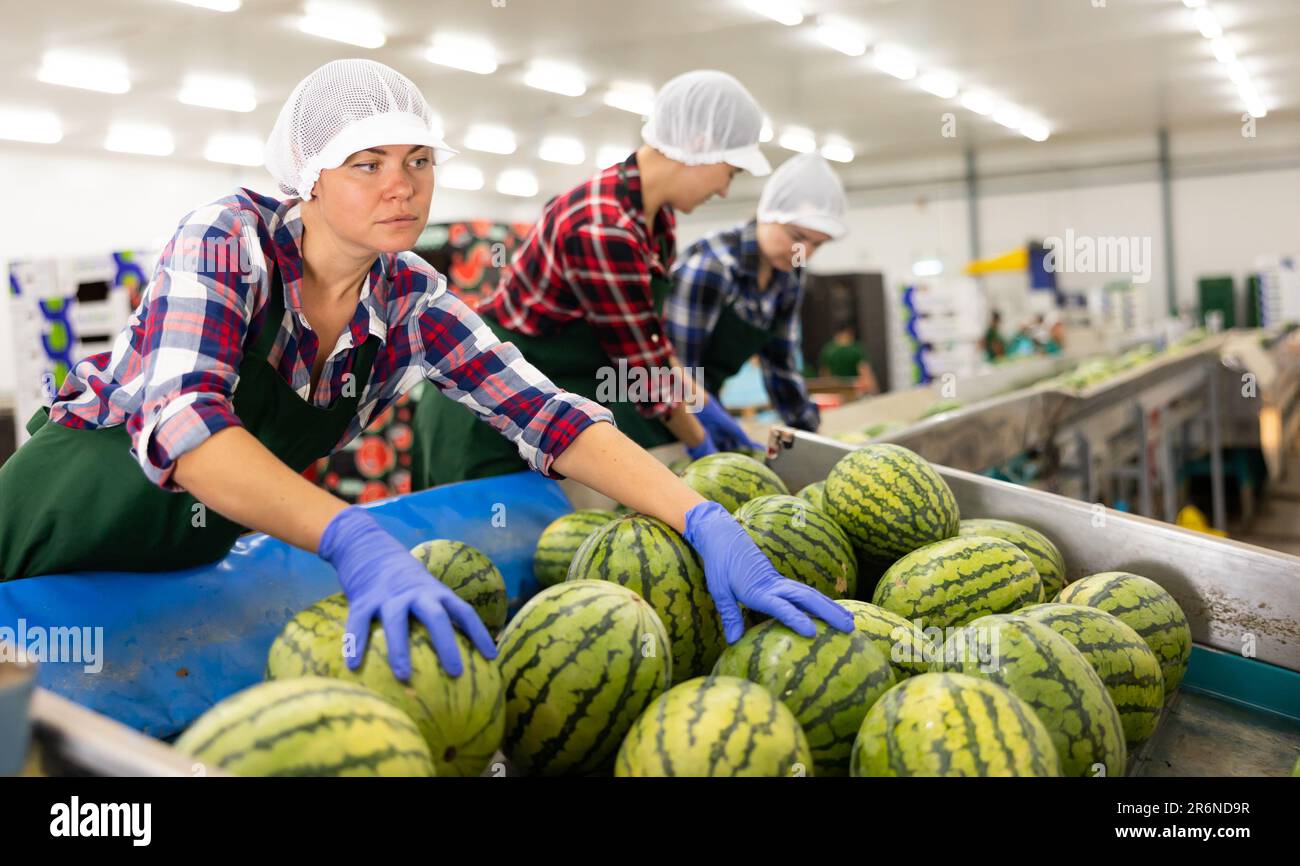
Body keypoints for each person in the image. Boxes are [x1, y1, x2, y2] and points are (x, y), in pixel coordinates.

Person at [0, 60, 851, 681]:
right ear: (309, 174)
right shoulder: (227, 243)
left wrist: (700, 517)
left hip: (186, 555)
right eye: (367, 164)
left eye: (419, 160)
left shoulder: (408, 296)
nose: (401, 186)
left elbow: (546, 413)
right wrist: (351, 533)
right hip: (62, 517)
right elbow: (187, 428)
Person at [411, 70, 773, 486]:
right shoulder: (604, 226)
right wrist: (704, 450)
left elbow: (651, 344)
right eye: (730, 172)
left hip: (561, 397)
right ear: (698, 147)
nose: (726, 190)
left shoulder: (657, 218)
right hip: (496, 403)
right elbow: (645, 376)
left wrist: (704, 404)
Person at [666, 153, 850, 450]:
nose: (805, 252)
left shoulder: (789, 274)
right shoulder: (713, 266)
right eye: (797, 236)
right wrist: (699, 435)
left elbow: (782, 367)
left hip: (706, 405)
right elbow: (676, 372)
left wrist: (810, 440)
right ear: (767, 212)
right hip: (654, 408)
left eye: (818, 243)